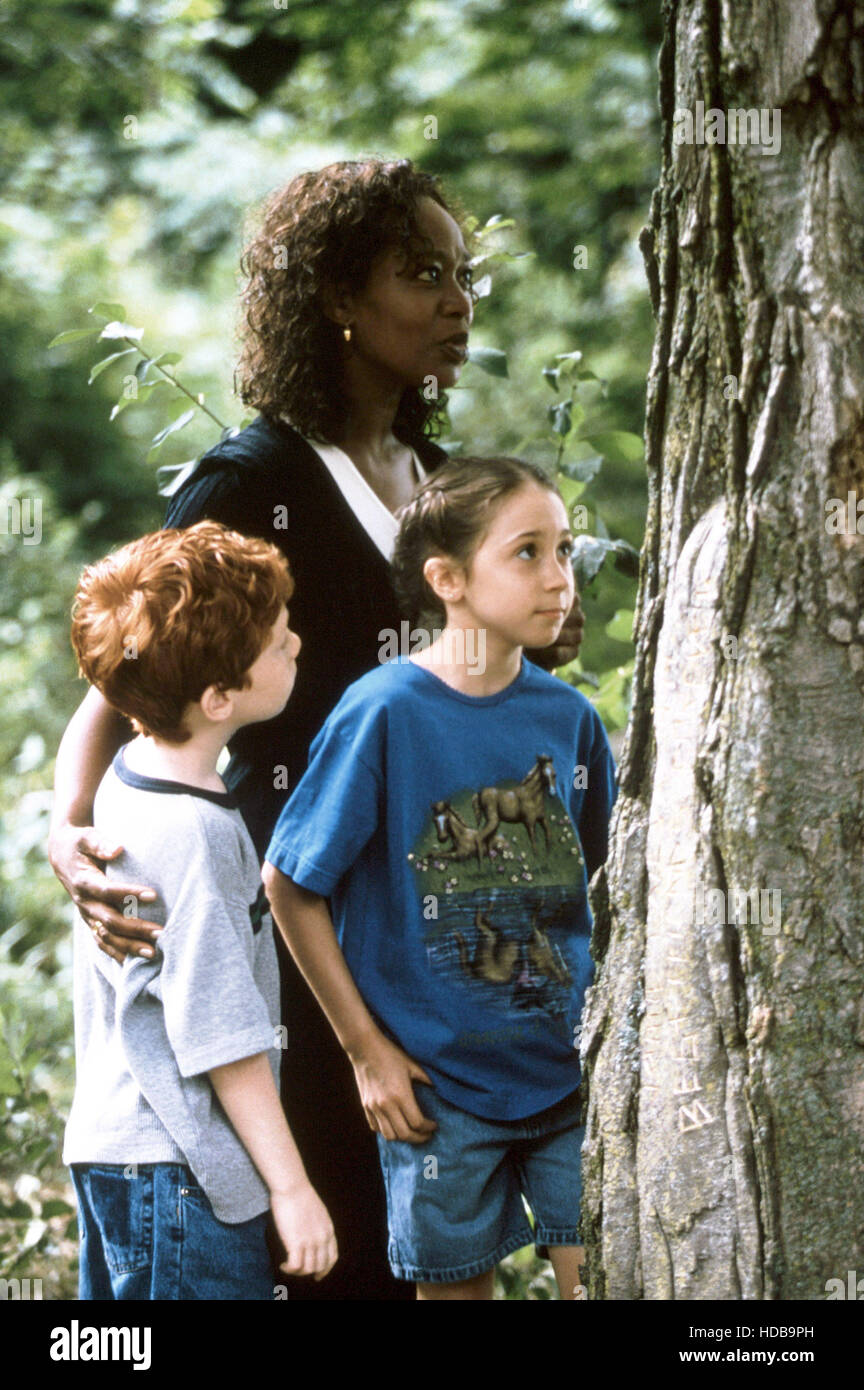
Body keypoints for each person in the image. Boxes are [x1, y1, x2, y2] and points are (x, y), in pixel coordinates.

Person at [48, 158, 585, 1300]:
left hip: (435, 932)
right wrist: (68, 830)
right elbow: (118, 684)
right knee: (324, 1228)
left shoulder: (444, 485)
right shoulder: (253, 480)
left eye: (463, 273)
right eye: (420, 273)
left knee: (436, 1244)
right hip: (294, 925)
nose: (457, 301)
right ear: (338, 297)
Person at [262, 456, 617, 1300]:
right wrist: (367, 1054)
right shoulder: (383, 710)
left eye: (564, 551)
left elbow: (611, 885)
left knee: (601, 1282)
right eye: (526, 553)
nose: (558, 578)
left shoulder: (568, 719)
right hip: (435, 1091)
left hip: (572, 1076)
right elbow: (291, 882)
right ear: (447, 578)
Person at [62, 520, 337, 1300]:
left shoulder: (129, 774)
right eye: (280, 644)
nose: (298, 647)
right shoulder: (195, 831)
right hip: (183, 1175)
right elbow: (221, 1035)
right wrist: (290, 1189)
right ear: (219, 697)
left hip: (118, 1152)